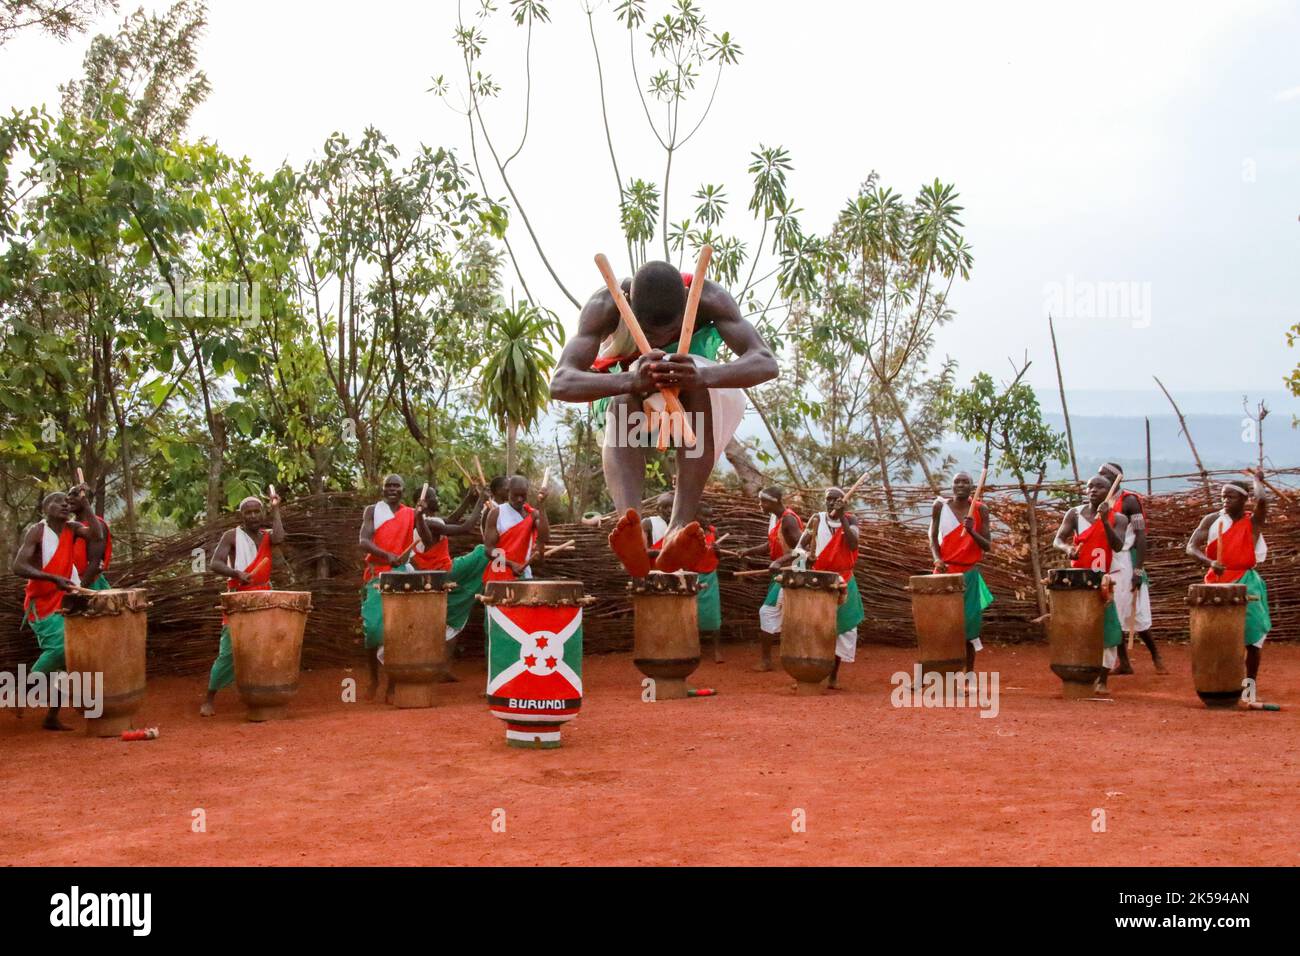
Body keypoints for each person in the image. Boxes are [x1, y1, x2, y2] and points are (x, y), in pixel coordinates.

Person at [549, 259, 777, 574]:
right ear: (627, 305)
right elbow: (560, 382)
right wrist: (630, 380)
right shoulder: (606, 304)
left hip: (695, 407)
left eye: (670, 331)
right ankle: (631, 524)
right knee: (622, 402)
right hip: (631, 409)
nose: (657, 341)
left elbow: (765, 362)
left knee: (696, 389)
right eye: (647, 332)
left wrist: (701, 376)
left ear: (687, 305)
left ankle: (678, 527)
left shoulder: (708, 298)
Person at [10, 489, 104, 730]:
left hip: (64, 600)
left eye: (66, 502)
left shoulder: (72, 529)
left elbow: (96, 535)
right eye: (57, 502)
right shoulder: (37, 531)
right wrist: (53, 579)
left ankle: (52, 716)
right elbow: (18, 566)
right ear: (46, 508)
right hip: (41, 604)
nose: (64, 505)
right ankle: (22, 690)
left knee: (69, 659)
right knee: (61, 648)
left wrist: (86, 506)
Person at [201, 492, 285, 716]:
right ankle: (210, 697)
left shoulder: (267, 536)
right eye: (248, 512)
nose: (253, 516)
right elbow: (215, 563)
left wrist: (276, 508)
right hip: (238, 596)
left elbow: (279, 538)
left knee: (265, 646)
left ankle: (261, 695)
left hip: (264, 596)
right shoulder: (231, 536)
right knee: (229, 649)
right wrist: (237, 573)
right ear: (241, 515)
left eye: (257, 511)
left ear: (263, 513)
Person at [1186, 471, 1271, 693]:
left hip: (1246, 580)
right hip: (1217, 580)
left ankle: (1250, 684)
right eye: (1223, 496)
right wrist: (1210, 561)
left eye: (1231, 497)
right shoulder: (1212, 520)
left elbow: (1262, 500)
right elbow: (1191, 547)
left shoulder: (1252, 522)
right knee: (1216, 635)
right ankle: (1219, 682)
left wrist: (1257, 481)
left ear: (1244, 500)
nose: (1225, 500)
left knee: (1253, 637)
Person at [772, 487, 863, 689]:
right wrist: (783, 561)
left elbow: (853, 544)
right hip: (818, 581)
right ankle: (811, 674)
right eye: (828, 500)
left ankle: (832, 677)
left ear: (843, 502)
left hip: (844, 579)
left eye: (835, 500)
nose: (831, 503)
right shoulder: (817, 519)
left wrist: (843, 520)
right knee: (814, 628)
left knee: (843, 630)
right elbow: (800, 547)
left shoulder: (852, 520)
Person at [1052, 475, 1128, 695]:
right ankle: (1075, 676)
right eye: (1089, 486)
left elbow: (1118, 545)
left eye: (1099, 487)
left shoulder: (1119, 518)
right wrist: (1068, 549)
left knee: (1108, 631)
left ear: (1109, 492)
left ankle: (1102, 680)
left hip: (1103, 579)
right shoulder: (1075, 514)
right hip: (1077, 580)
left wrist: (1104, 520)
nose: (1093, 490)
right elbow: (1057, 539)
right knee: (1076, 629)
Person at [359, 475, 432, 700]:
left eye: (396, 486)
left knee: (397, 632)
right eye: (388, 486)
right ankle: (374, 679)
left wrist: (420, 517)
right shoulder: (372, 510)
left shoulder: (411, 513)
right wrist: (386, 555)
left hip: (401, 577)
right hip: (376, 575)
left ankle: (392, 684)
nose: (392, 489)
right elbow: (363, 540)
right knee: (372, 630)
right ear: (382, 489)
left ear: (403, 489)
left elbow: (427, 542)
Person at [411, 483, 485, 679]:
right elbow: (465, 527)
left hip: (438, 572)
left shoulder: (429, 521)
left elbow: (452, 519)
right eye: (434, 496)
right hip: (443, 573)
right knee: (483, 553)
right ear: (425, 503)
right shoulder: (428, 523)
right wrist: (481, 501)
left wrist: (469, 498)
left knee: (454, 619)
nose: (438, 499)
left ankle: (443, 669)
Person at [1097, 463, 1165, 674]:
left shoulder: (1129, 501)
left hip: (1126, 561)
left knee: (1137, 616)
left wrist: (1138, 570)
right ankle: (1123, 663)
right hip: (1107, 562)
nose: (1101, 478)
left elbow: (1141, 535)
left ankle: (1156, 656)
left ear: (1115, 478)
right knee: (1112, 611)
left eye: (1104, 475)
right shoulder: (1101, 502)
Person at [928, 471, 994, 672]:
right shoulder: (940, 506)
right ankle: (936, 670)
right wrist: (937, 558)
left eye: (966, 482)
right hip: (945, 572)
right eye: (957, 481)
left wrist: (972, 531)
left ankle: (969, 673)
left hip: (969, 575)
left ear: (972, 487)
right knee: (938, 624)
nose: (961, 485)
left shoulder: (980, 510)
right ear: (952, 486)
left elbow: (987, 546)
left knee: (969, 626)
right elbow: (932, 536)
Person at [738, 486, 803, 672]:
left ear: (775, 501)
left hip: (791, 573)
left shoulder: (789, 520)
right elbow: (771, 543)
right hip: (781, 572)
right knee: (783, 614)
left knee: (766, 612)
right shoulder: (776, 519)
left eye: (763, 501)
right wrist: (748, 551)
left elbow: (802, 548)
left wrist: (781, 561)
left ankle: (767, 661)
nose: (760, 505)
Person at [482, 475, 550, 582]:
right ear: (508, 491)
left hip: (523, 574)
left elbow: (545, 537)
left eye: (523, 495)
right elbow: (488, 549)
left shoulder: (532, 514)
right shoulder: (496, 513)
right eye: (515, 495)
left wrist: (542, 505)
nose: (519, 499)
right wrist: (511, 564)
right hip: (499, 574)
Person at [67, 480, 111, 591]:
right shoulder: (70, 525)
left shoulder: (98, 525)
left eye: (75, 494)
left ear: (86, 499)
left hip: (90, 585)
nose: (70, 498)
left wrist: (79, 589)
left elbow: (95, 563)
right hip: (70, 583)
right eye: (69, 494)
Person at [695, 500, 724, 664]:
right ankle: (695, 647)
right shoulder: (690, 533)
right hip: (694, 575)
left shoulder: (714, 531)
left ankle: (717, 650)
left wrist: (718, 551)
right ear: (695, 515)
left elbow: (719, 557)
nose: (707, 520)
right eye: (703, 516)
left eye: (709, 517)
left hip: (711, 575)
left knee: (713, 613)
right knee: (694, 613)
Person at [642, 492, 674, 560]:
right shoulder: (648, 523)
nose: (670, 510)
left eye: (672, 507)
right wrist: (662, 552)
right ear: (658, 509)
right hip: (654, 565)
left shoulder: (678, 525)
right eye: (665, 507)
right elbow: (642, 551)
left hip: (675, 566)